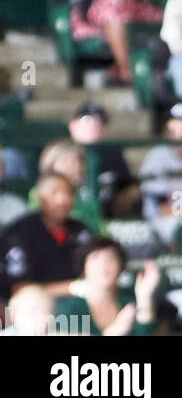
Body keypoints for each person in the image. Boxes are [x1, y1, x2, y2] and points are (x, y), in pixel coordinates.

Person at [0, 173, 95, 301]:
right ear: (40, 198)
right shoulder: (19, 232)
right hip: (30, 309)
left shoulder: (80, 230)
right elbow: (20, 288)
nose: (62, 200)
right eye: (54, 193)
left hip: (76, 305)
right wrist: (72, 288)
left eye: (68, 193)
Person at [54, 239, 160, 336]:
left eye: (110, 258)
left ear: (121, 266)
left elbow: (145, 332)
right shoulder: (70, 308)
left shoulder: (129, 298)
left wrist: (144, 297)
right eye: (95, 258)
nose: (103, 266)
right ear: (83, 268)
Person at [67, 104, 136, 218]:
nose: (94, 126)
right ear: (72, 125)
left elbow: (127, 186)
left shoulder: (113, 154)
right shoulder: (61, 152)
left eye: (100, 122)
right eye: (87, 120)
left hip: (106, 215)